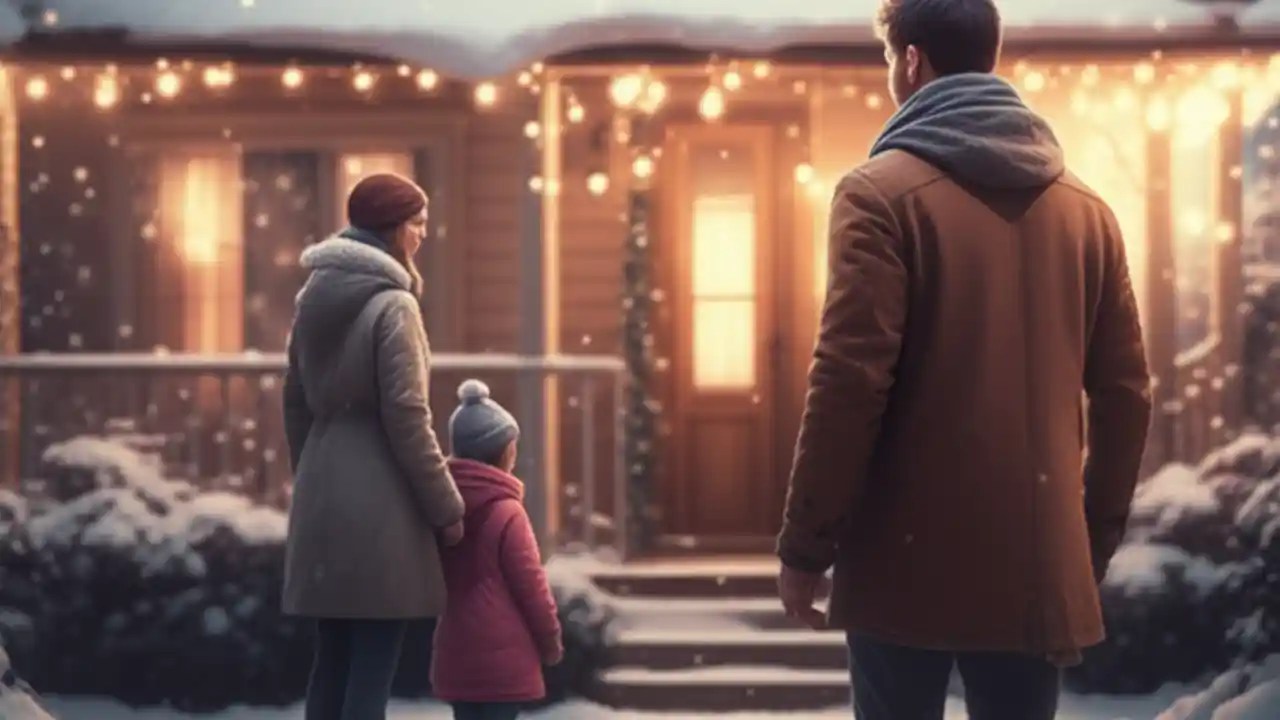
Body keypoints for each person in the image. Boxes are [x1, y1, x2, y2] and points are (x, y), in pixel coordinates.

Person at [774, 0, 1153, 718]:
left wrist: (806, 545)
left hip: (903, 562)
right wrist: (1088, 544)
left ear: (912, 61)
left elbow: (849, 381)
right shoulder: (1088, 211)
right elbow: (1126, 395)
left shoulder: (877, 195)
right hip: (1037, 561)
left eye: (890, 59)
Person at [282, 173, 466, 720]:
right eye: (417, 223)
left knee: (332, 660)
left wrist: (312, 473)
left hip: (322, 488)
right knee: (373, 662)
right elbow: (407, 415)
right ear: (392, 228)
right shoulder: (394, 305)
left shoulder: (313, 298)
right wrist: (446, 507)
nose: (423, 234)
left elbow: (294, 400)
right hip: (380, 501)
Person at [431, 379, 563, 720]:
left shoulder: (440, 509)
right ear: (503, 453)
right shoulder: (508, 513)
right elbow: (531, 586)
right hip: (503, 661)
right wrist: (550, 640)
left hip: (455, 653)